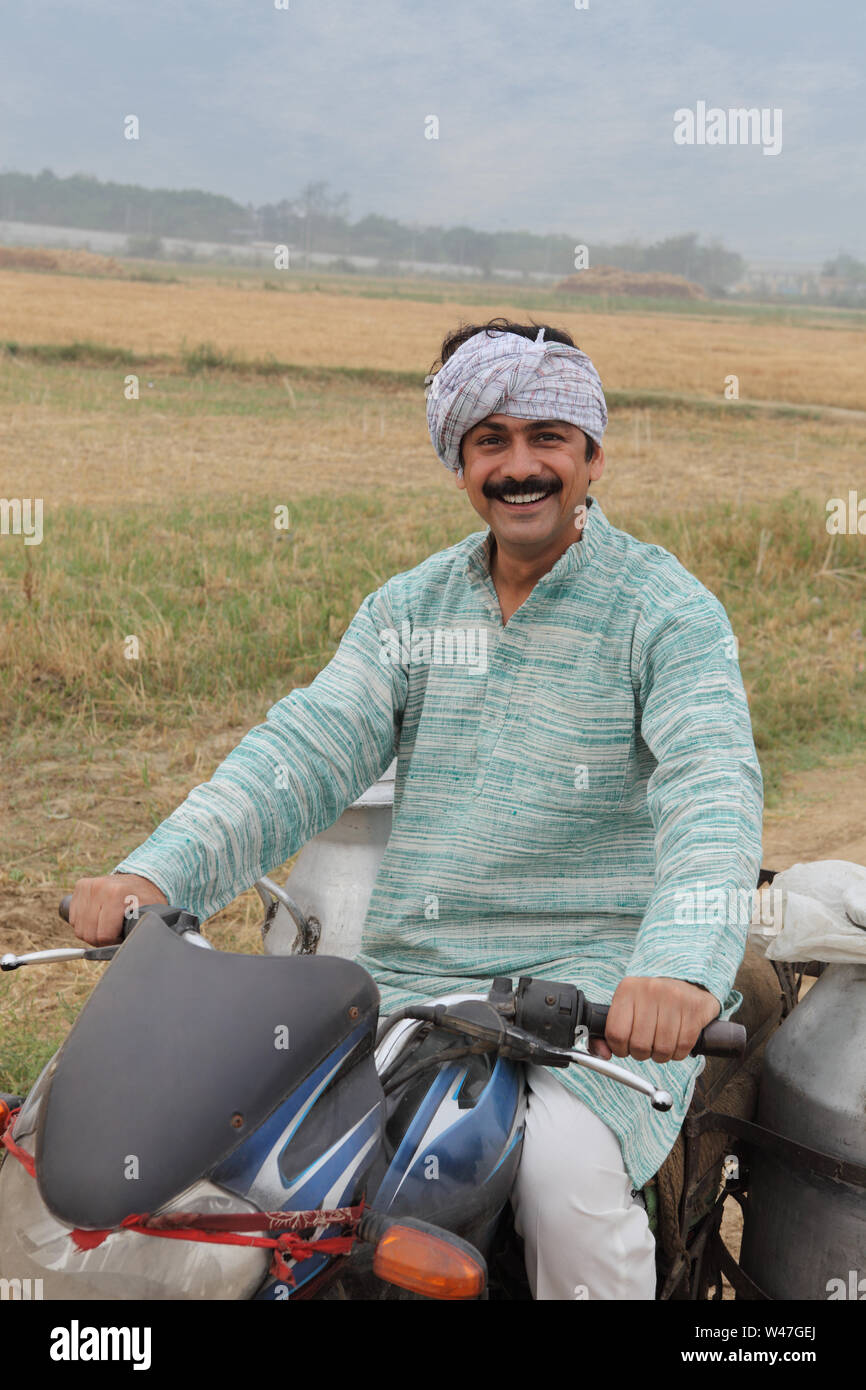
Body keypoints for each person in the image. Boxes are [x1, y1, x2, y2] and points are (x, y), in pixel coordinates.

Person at [69, 318, 763, 1300]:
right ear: (458, 462)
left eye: (546, 438)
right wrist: (156, 872)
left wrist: (677, 972)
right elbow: (299, 753)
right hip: (408, 991)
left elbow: (711, 796)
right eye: (490, 440)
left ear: (591, 454)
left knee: (565, 1184)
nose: (519, 465)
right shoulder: (410, 611)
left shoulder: (665, 612)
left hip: (596, 1008)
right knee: (248, 1176)